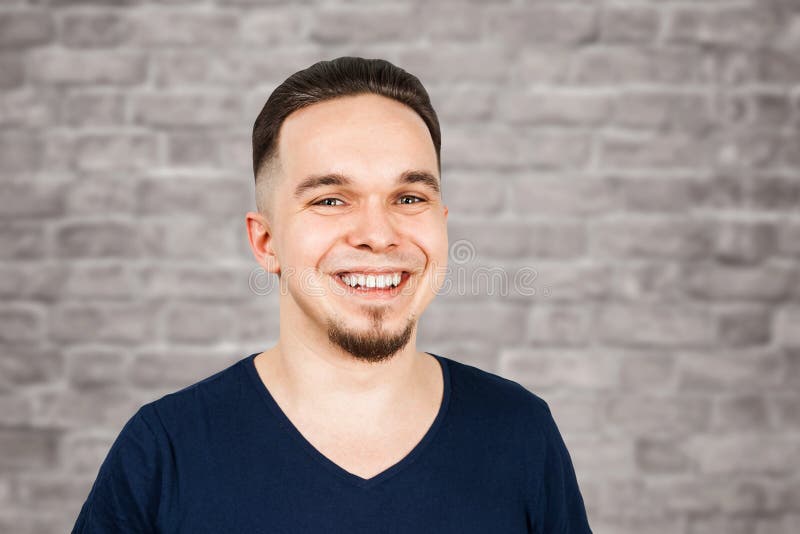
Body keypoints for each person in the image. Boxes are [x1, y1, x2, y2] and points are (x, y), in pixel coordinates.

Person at [72, 56, 593, 533]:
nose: (378, 233)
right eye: (331, 199)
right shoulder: (165, 451)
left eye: (409, 197)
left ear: (442, 224)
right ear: (266, 240)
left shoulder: (520, 433)